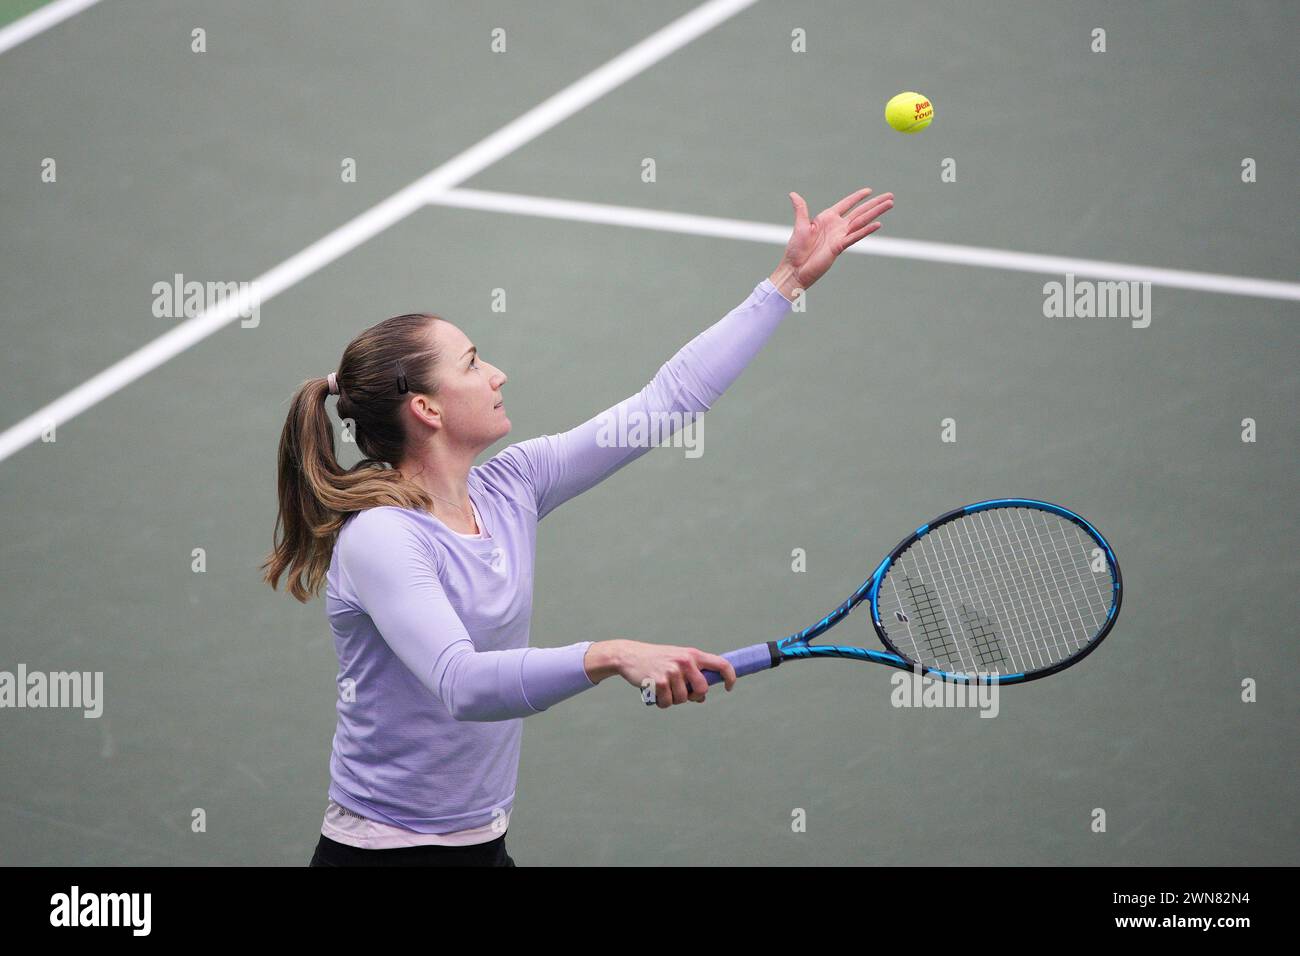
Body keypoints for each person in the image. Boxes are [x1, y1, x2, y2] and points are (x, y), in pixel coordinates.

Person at [263, 187, 894, 866]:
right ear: (427, 409)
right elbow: (462, 684)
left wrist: (788, 280)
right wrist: (610, 654)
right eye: (473, 363)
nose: (498, 373)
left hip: (479, 840)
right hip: (386, 856)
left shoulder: (512, 486)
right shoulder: (383, 538)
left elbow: (666, 402)